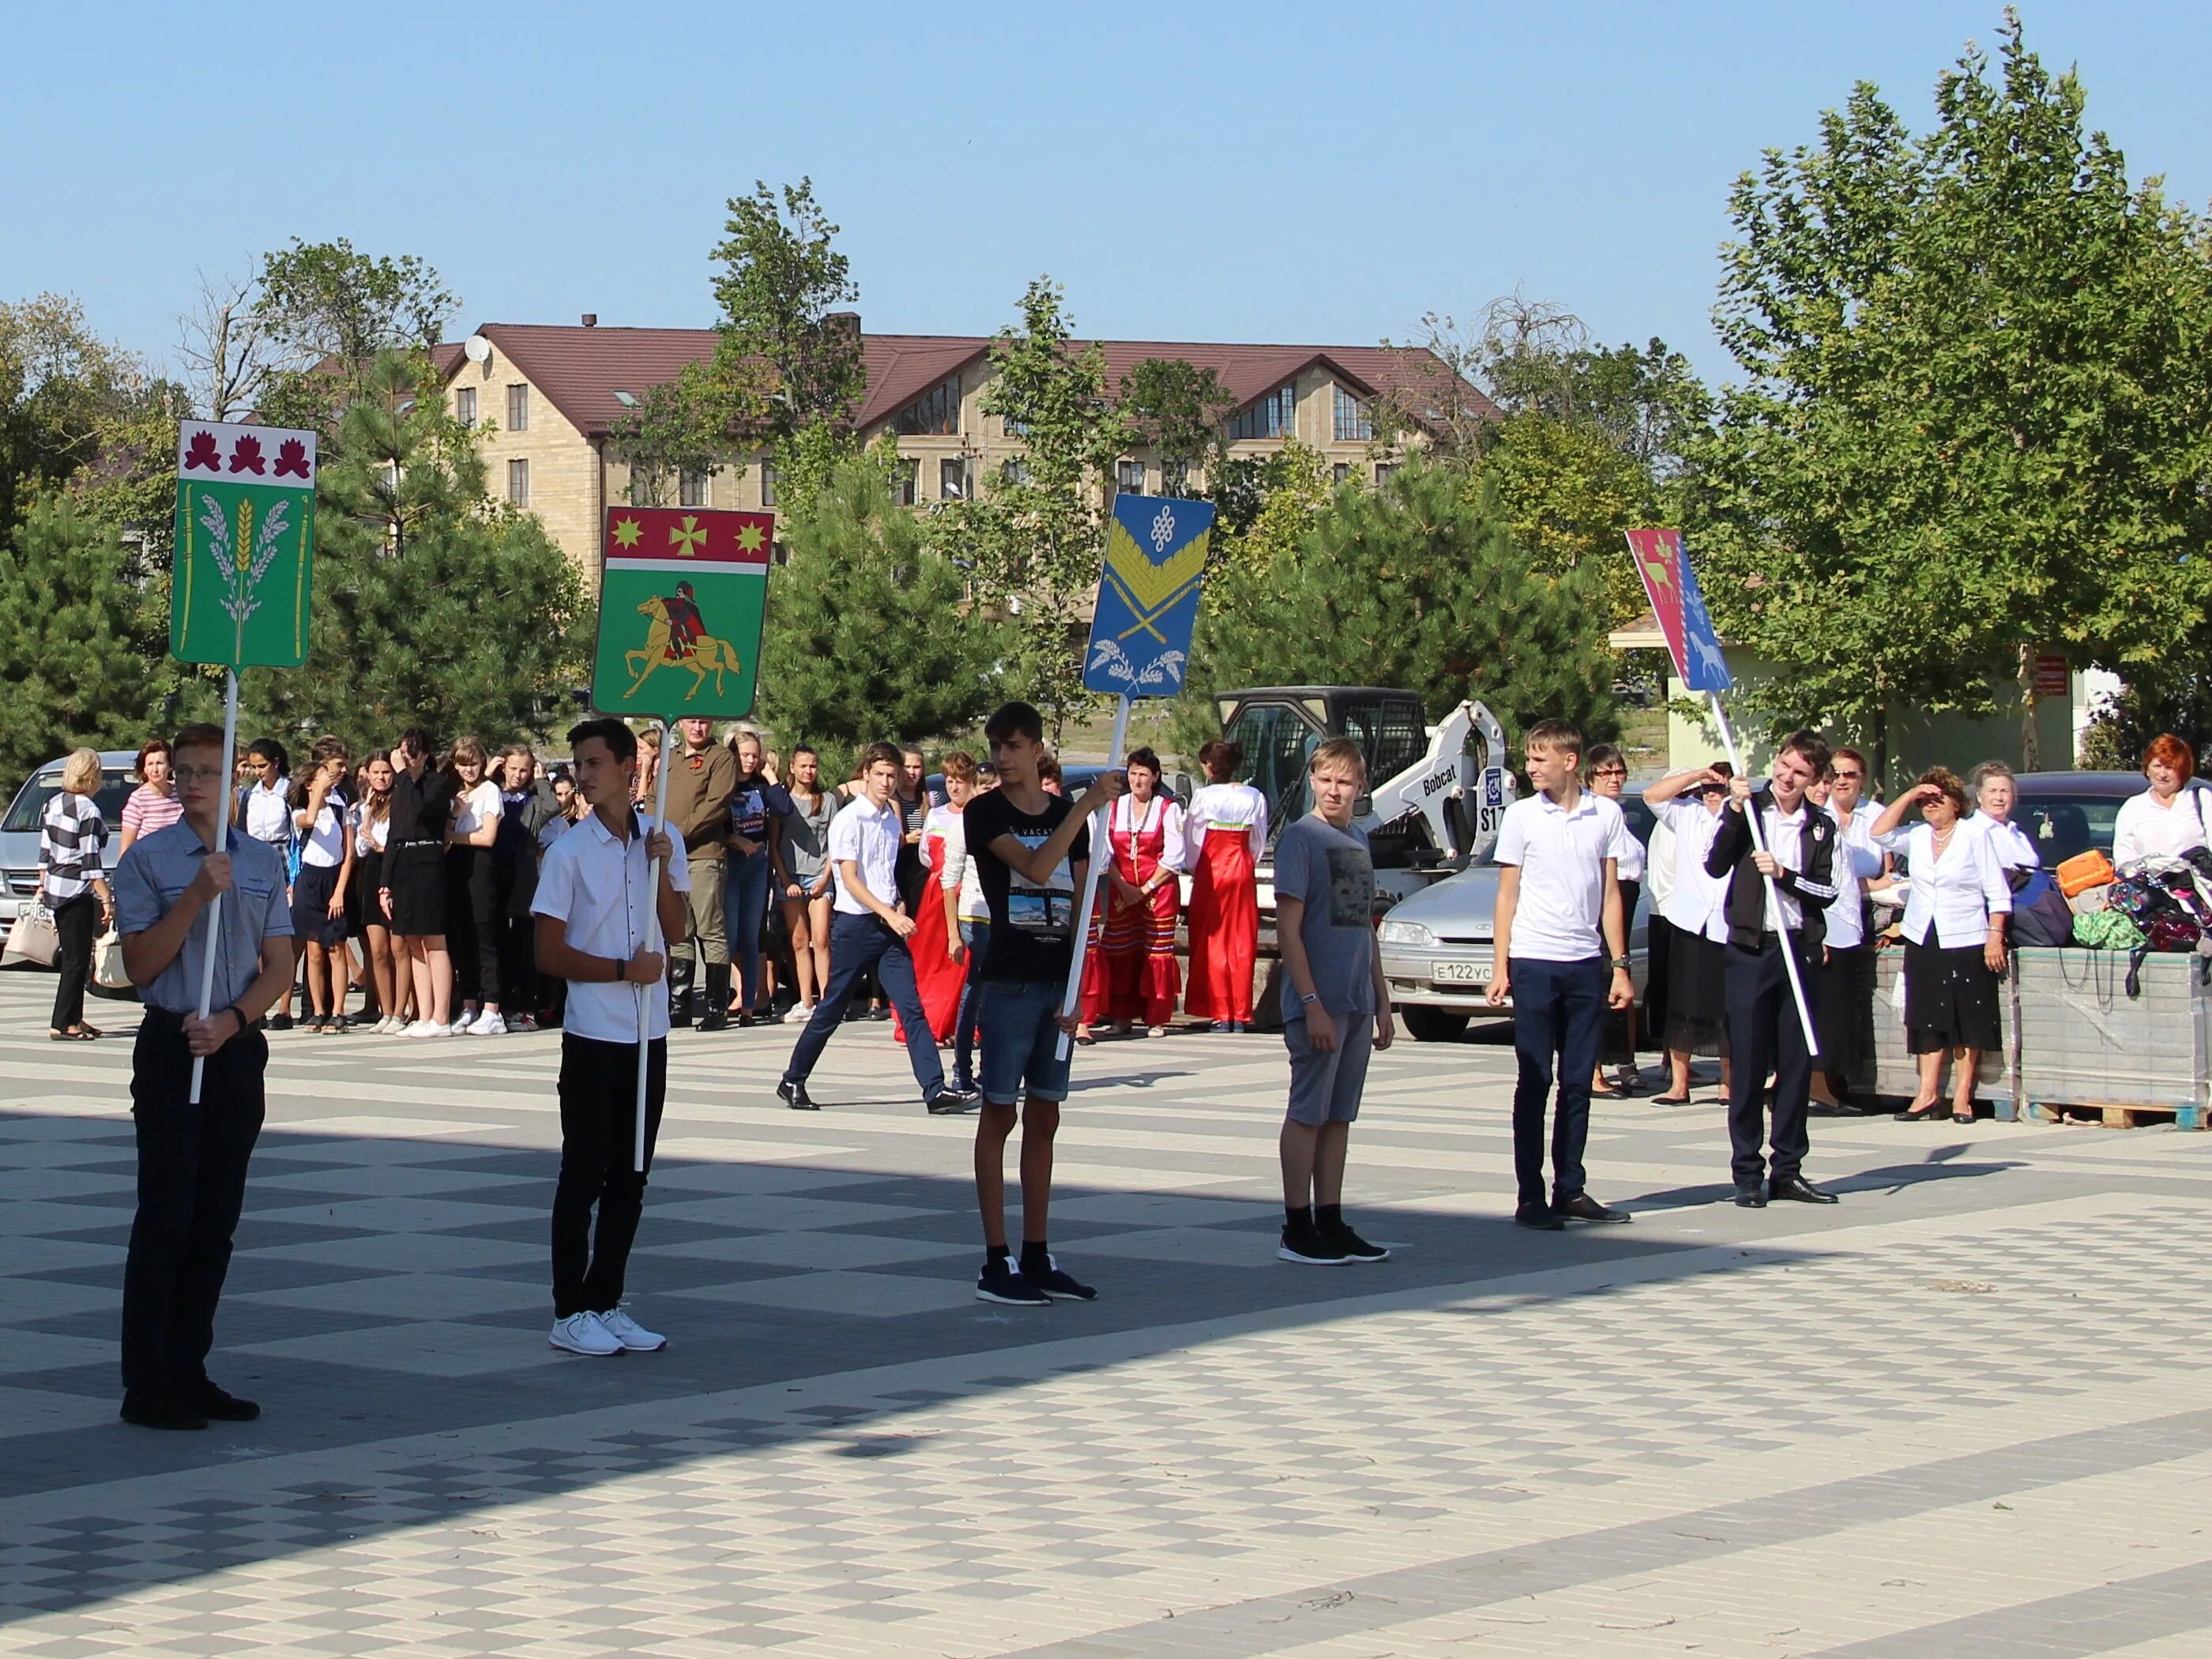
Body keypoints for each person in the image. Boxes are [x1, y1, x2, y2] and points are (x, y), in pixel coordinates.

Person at [113, 722, 295, 1429]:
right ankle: (147, 1382)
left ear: (233, 782)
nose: (191, 783)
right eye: (182, 771)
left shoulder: (260, 860)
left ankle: (190, 1368)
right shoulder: (149, 861)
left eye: (207, 772)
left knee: (216, 1219)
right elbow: (139, 966)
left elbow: (280, 966)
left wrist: (234, 1022)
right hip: (171, 1044)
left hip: (233, 1045)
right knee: (167, 1216)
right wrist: (193, 897)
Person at [530, 718, 689, 1358]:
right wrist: (624, 970)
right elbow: (548, 952)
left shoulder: (661, 837)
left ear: (630, 767)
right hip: (594, 1032)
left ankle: (606, 1298)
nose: (584, 775)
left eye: (595, 762)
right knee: (584, 1173)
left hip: (648, 1033)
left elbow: (674, 932)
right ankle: (569, 1310)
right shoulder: (569, 850)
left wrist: (661, 865)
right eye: (579, 764)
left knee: (633, 1172)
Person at [961, 702, 1126, 1304]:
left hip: (1057, 985)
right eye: (995, 748)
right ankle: (995, 1257)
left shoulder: (1065, 814)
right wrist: (1086, 803)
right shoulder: (983, 813)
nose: (1002, 759)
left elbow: (1083, 903)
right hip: (1008, 981)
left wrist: (1081, 985)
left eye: (1013, 746)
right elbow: (1034, 868)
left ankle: (1037, 1251)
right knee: (999, 1114)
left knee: (1046, 1116)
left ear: (1037, 751)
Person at [776, 744, 981, 1115]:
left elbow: (885, 873)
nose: (888, 782)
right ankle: (793, 1078)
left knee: (912, 1008)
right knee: (831, 1009)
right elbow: (850, 879)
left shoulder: (890, 817)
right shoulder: (849, 819)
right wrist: (889, 912)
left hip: (887, 929)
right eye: (881, 775)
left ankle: (934, 1091)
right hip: (856, 927)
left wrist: (898, 902)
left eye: (893, 775)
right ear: (866, 775)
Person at [1487, 720, 1635, 1231]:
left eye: (1539, 760)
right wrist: (1500, 965)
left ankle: (1569, 1188)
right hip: (1533, 960)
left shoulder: (1606, 814)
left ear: (1569, 763)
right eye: (1528, 759)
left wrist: (1619, 967)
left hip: (1583, 962)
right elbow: (1507, 894)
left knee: (1577, 1082)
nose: (1530, 769)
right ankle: (1530, 1196)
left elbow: (1611, 893)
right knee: (1536, 1078)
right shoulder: (1522, 816)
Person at [1707, 732, 1843, 1207]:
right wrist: (1732, 813)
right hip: (1750, 949)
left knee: (1795, 1062)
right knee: (1746, 1062)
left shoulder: (1821, 827)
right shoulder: (1751, 811)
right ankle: (1747, 1171)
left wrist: (1785, 876)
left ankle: (1788, 1168)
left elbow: (1830, 892)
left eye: (1800, 773)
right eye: (1784, 767)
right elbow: (1714, 863)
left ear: (1813, 780)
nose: (1787, 778)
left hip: (1797, 952)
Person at [1273, 739, 1395, 1266]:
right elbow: (1289, 929)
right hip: (1317, 1000)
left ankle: (1331, 1216)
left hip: (1356, 998)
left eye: (1344, 781)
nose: (1333, 790)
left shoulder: (1360, 839)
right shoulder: (1302, 839)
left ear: (1359, 786)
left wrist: (1383, 1000)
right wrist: (1311, 1001)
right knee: (1308, 1111)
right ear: (1313, 781)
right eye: (1325, 779)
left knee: (1339, 1115)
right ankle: (1297, 1225)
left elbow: (1364, 927)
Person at [1872, 767, 2012, 1124]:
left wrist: (1995, 935)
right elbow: (1879, 832)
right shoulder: (1917, 836)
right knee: (1926, 1016)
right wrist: (1909, 794)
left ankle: (1963, 1097)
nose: (1931, 807)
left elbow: (1997, 893)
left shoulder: (1974, 836)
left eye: (1938, 800)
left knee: (1967, 1015)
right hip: (1924, 934)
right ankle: (1927, 1094)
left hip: (1966, 934)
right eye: (1925, 802)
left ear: (1956, 803)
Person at [1639, 763, 1734, 1105]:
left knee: (1727, 1007)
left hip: (1727, 922)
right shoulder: (1686, 814)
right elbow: (1652, 795)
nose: (1712, 793)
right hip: (1689, 921)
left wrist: (1734, 795)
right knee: (1683, 1004)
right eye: (1707, 788)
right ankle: (1679, 1085)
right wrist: (1697, 775)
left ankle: (1728, 1083)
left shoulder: (1740, 820)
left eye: (1718, 788)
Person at [1083, 747, 1186, 1040]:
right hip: (1121, 892)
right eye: (1132, 774)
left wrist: (1145, 888)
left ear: (1155, 777)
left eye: (1143, 775)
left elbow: (1174, 856)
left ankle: (1156, 1018)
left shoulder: (1168, 808)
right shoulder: (1115, 807)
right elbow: (1105, 852)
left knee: (1156, 954)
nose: (1137, 780)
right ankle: (1121, 1016)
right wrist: (1126, 888)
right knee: (1120, 952)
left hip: (1159, 892)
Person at [1813, 747, 1887, 1113]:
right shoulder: (1814, 820)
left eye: (1849, 775)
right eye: (1833, 776)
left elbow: (1873, 875)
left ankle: (1834, 1085)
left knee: (1840, 1009)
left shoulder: (1873, 817)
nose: (1840, 782)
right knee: (1820, 1010)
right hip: (1823, 927)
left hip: (1852, 923)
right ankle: (1817, 1087)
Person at [1184, 740, 1267, 1033]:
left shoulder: (1205, 796)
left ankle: (1220, 1011)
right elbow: (1259, 839)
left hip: (1212, 867)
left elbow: (1193, 837)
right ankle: (1240, 1012)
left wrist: (1195, 867)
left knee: (1213, 938)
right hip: (1242, 866)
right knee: (1242, 939)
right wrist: (1247, 862)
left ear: (1210, 767)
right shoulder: (1255, 796)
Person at [663, 716, 735, 1031]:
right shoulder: (672, 756)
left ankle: (717, 1008)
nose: (697, 728)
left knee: (710, 929)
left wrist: (677, 833)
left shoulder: (720, 757)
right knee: (679, 931)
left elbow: (716, 805)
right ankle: (680, 1006)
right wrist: (654, 830)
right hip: (670, 856)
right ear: (681, 725)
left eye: (704, 723)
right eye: (691, 722)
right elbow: (655, 797)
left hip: (704, 854)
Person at [383, 728, 457, 1037]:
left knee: (433, 939)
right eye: (403, 750)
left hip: (428, 861)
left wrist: (403, 776)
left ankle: (441, 1017)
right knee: (412, 940)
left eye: (413, 751)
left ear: (425, 755)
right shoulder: (399, 787)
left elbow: (419, 810)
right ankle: (424, 1015)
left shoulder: (436, 784)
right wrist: (384, 883)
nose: (407, 757)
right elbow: (393, 833)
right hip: (402, 862)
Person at [40, 748, 113, 1042]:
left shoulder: (54, 803)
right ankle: (62, 1022)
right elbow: (90, 859)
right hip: (75, 891)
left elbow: (45, 848)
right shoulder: (87, 810)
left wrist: (43, 880)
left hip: (56, 888)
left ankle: (74, 1016)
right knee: (76, 958)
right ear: (93, 776)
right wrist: (106, 897)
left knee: (76, 956)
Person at [1583, 744, 1643, 1097]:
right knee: (1599, 987)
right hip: (1604, 904)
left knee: (1619, 986)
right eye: (1606, 773)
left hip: (1625, 902)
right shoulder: (1596, 813)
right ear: (1590, 778)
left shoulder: (1616, 813)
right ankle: (1593, 1071)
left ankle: (1623, 1061)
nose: (1615, 779)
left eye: (1619, 772)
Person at [935, 752, 994, 1095]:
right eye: (982, 787)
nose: (987, 792)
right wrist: (953, 934)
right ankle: (962, 1068)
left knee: (997, 996)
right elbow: (948, 881)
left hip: (1004, 918)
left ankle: (991, 1066)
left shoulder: (1006, 823)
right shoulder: (963, 826)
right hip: (974, 915)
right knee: (976, 991)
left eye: (992, 786)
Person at [288, 738, 354, 1034]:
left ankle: (338, 1010)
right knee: (314, 950)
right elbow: (309, 819)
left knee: (336, 947)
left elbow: (348, 852)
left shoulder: (341, 808)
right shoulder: (299, 811)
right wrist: (315, 792)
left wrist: (340, 890)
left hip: (333, 879)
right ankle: (317, 1010)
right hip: (309, 879)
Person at [444, 737, 506, 1036]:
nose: (469, 769)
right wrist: (455, 813)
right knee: (462, 935)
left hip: (481, 864)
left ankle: (492, 1006)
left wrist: (455, 837)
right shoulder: (454, 795)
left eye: (473, 763)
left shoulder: (490, 791)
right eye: (462, 764)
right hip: (456, 866)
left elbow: (487, 836)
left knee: (484, 935)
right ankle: (469, 1004)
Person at [723, 728, 785, 1024]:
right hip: (731, 863)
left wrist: (770, 775)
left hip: (757, 864)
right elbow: (712, 822)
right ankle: (725, 995)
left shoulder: (760, 785)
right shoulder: (724, 784)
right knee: (729, 936)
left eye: (754, 755)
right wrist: (733, 839)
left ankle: (749, 1006)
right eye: (744, 754)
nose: (750, 760)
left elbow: (784, 808)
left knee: (751, 937)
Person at [772, 746, 837, 1023]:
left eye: (813, 766)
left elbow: (836, 844)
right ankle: (805, 1000)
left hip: (819, 876)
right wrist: (786, 881)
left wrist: (825, 879)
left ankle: (828, 1000)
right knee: (799, 941)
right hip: (791, 876)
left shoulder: (828, 800)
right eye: (803, 766)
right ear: (792, 768)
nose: (808, 771)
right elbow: (774, 845)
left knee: (820, 938)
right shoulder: (783, 802)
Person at [241, 739, 295, 1029]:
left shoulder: (289, 791)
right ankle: (256, 1006)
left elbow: (296, 833)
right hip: (255, 856)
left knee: (281, 935)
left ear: (275, 763)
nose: (258, 772)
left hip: (283, 857)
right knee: (255, 936)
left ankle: (284, 1008)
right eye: (253, 766)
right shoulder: (252, 795)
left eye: (262, 766)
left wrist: (294, 877)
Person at [352, 753, 404, 1033]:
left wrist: (380, 844)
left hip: (395, 870)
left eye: (386, 772)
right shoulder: (364, 806)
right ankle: (385, 1011)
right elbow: (362, 848)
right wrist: (368, 816)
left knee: (399, 948)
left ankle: (401, 1010)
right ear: (367, 774)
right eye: (376, 772)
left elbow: (393, 843)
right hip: (372, 871)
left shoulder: (401, 801)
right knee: (378, 950)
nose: (382, 777)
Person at [2112, 734, 2208, 867]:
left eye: (2169, 768)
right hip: (2150, 885)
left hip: (2197, 885)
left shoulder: (2203, 800)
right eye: (2157, 766)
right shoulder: (2132, 808)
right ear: (2147, 770)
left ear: (2183, 772)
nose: (2162, 774)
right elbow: (2124, 860)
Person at [1969, 761, 2039, 877]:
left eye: (2004, 791)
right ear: (1979, 796)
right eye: (1992, 791)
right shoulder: (1969, 832)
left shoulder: (2017, 834)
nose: (1999, 798)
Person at [118, 739, 183, 859]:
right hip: (149, 866)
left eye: (159, 763)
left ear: (170, 766)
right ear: (145, 769)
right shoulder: (138, 800)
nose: (155, 770)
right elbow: (126, 850)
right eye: (150, 764)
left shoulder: (181, 793)